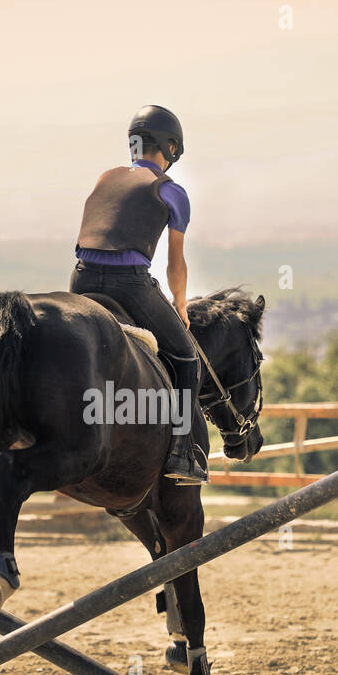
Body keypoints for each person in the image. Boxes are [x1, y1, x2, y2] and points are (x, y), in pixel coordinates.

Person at [71, 105, 207, 485]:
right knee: (185, 358)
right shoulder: (171, 191)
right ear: (171, 147)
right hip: (128, 282)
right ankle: (181, 452)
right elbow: (174, 267)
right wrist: (180, 306)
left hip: (80, 280)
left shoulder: (105, 177)